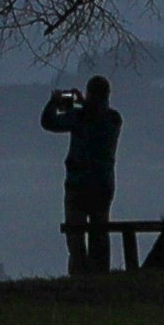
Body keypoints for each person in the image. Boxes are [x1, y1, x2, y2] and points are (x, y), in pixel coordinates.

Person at [39, 73, 125, 272]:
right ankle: (100, 273)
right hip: (104, 185)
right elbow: (98, 115)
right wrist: (84, 103)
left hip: (77, 184)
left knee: (75, 235)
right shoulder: (114, 119)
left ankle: (79, 273)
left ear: (89, 93)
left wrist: (54, 102)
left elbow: (48, 122)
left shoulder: (79, 118)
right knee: (100, 233)